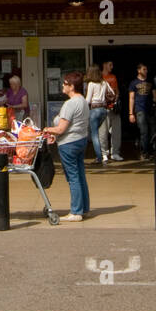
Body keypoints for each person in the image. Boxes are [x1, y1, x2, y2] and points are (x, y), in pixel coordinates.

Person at [42, 71, 89, 221]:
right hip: (81, 140)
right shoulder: (83, 101)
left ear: (72, 86)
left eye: (65, 83)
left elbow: (61, 129)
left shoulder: (70, 103)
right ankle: (84, 208)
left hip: (68, 143)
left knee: (73, 177)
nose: (63, 85)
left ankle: (76, 212)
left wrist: (47, 129)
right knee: (80, 175)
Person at [84, 64, 110, 164]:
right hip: (104, 109)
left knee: (94, 135)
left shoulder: (91, 84)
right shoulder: (104, 82)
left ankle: (99, 158)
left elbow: (88, 100)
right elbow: (111, 92)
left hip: (94, 110)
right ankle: (105, 155)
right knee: (102, 134)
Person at [128, 64, 154, 158]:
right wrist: (131, 113)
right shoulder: (133, 83)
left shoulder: (150, 82)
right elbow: (131, 98)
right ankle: (144, 152)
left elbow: (154, 94)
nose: (146, 71)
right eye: (144, 69)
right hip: (139, 109)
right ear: (139, 70)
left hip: (150, 109)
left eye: (146, 69)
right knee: (144, 131)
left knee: (152, 131)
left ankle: (149, 150)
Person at [100, 60, 123, 162]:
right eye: (110, 64)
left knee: (116, 131)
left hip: (114, 107)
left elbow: (117, 91)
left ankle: (115, 153)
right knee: (103, 131)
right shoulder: (99, 77)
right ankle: (104, 153)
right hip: (104, 108)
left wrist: (116, 99)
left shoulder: (113, 77)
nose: (112, 67)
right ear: (104, 64)